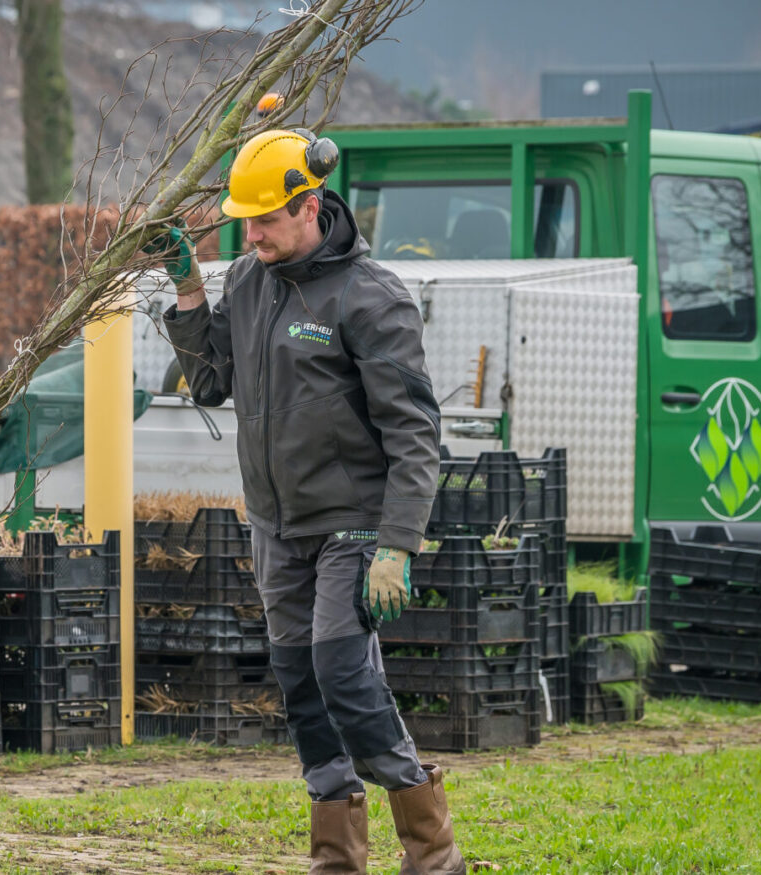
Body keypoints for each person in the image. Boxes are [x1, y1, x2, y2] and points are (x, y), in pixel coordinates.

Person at [145, 129, 466, 875]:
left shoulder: (372, 297)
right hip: (276, 527)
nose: (248, 233)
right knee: (299, 681)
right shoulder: (251, 283)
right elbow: (212, 381)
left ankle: (432, 848)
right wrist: (190, 289)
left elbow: (415, 432)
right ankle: (337, 858)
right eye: (242, 221)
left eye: (263, 220)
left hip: (353, 523)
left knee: (343, 672)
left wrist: (397, 544)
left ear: (310, 205)